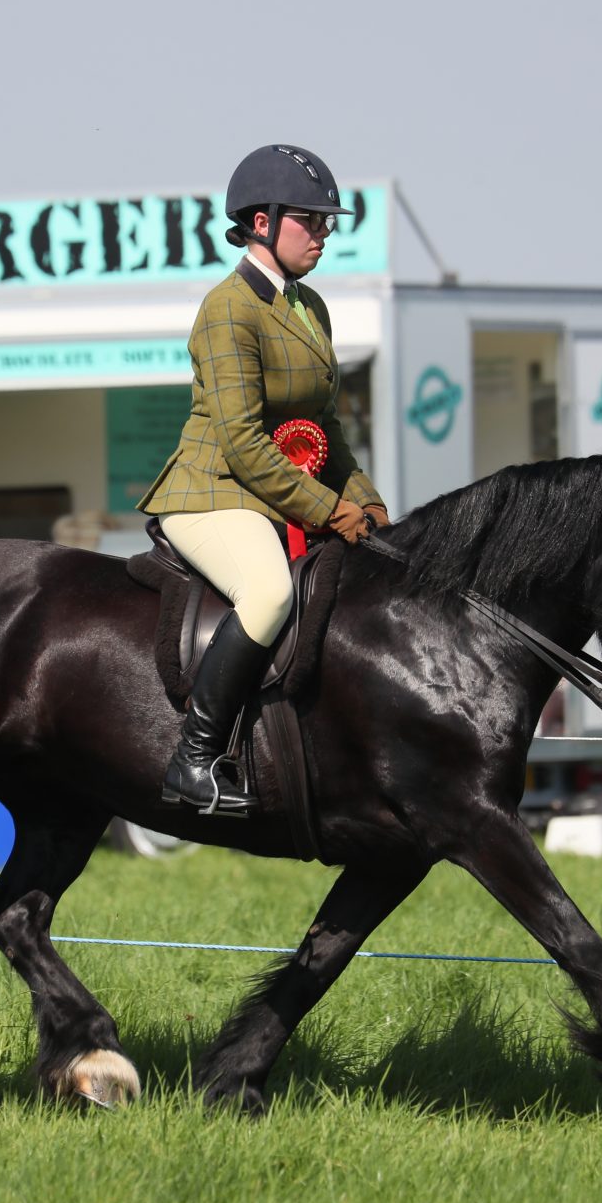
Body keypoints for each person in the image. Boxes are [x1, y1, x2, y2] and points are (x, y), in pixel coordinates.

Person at [138, 144, 390, 816]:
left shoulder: (311, 307)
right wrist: (328, 510)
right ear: (260, 222)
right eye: (310, 219)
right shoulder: (228, 310)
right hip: (211, 492)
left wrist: (364, 498)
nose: (325, 232)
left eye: (327, 220)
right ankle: (193, 760)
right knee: (271, 592)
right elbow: (245, 445)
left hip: (277, 494)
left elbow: (325, 427)